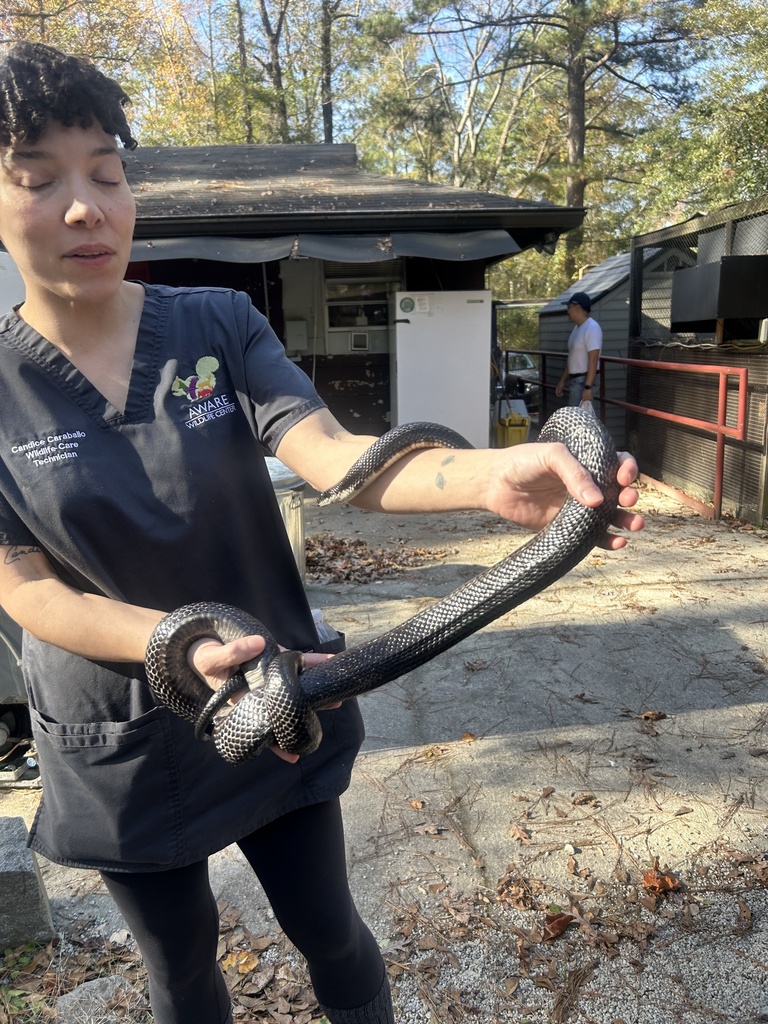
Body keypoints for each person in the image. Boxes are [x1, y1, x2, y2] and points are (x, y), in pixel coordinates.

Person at [0, 42, 643, 1024]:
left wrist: (491, 473)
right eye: (39, 178)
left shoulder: (218, 324)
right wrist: (176, 639)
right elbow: (26, 587)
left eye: (108, 173)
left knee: (330, 929)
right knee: (181, 970)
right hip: (118, 737)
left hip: (277, 696)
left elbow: (338, 456)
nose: (86, 207)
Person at [555, 291, 603, 407]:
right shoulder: (577, 329)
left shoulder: (591, 328)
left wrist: (588, 387)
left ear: (578, 308)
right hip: (576, 380)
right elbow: (573, 357)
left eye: (569, 307)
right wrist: (563, 381)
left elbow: (593, 359)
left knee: (579, 416)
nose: (567, 311)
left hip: (584, 380)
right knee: (576, 414)